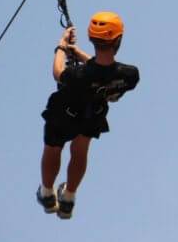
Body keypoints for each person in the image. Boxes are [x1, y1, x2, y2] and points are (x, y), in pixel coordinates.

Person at [36, 11, 140, 219]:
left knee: (53, 148)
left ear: (92, 38)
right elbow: (104, 72)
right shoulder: (129, 74)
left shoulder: (78, 75)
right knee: (80, 150)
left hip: (65, 111)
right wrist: (80, 55)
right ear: (118, 41)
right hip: (92, 113)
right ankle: (68, 198)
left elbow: (59, 72)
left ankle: (47, 193)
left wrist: (62, 47)